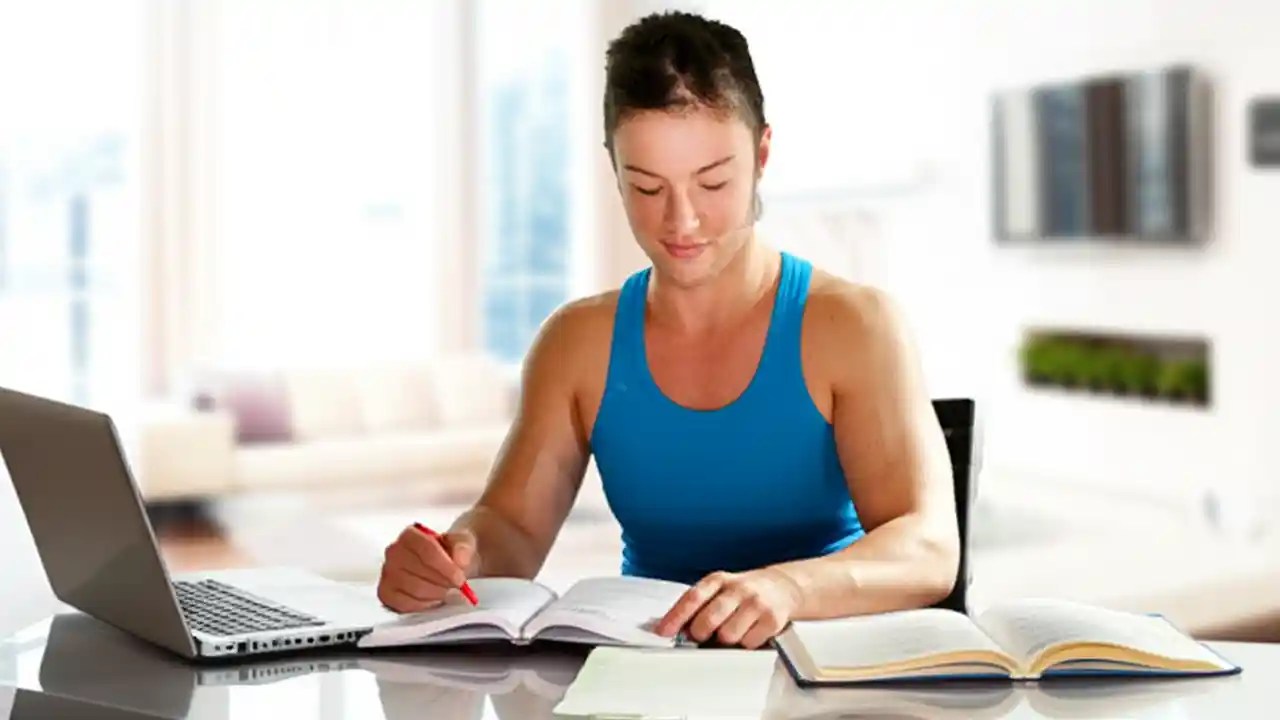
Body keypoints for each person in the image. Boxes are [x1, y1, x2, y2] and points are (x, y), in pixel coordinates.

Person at [377, 10, 959, 650]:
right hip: (647, 674)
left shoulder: (854, 326)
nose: (682, 221)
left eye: (712, 182)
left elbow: (929, 548)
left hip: (824, 671)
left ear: (762, 154)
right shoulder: (577, 344)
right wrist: (456, 562)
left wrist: (786, 589)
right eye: (647, 187)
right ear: (614, 169)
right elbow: (511, 527)